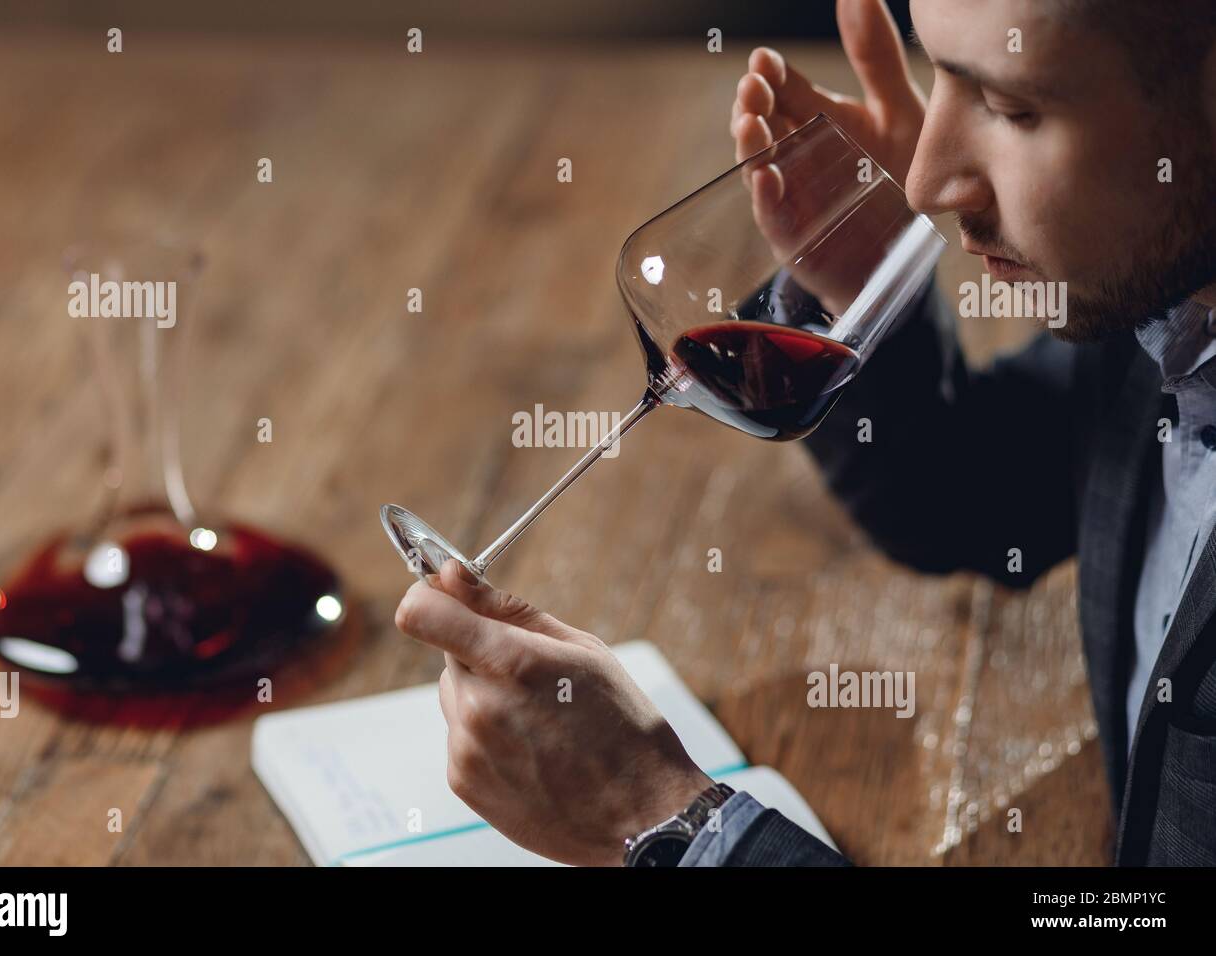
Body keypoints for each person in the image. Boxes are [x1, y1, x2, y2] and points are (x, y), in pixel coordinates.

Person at [393, 0, 1216, 866]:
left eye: (1014, 110)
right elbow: (985, 498)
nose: (927, 180)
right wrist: (862, 289)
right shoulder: (1170, 316)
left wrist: (657, 817)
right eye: (941, 74)